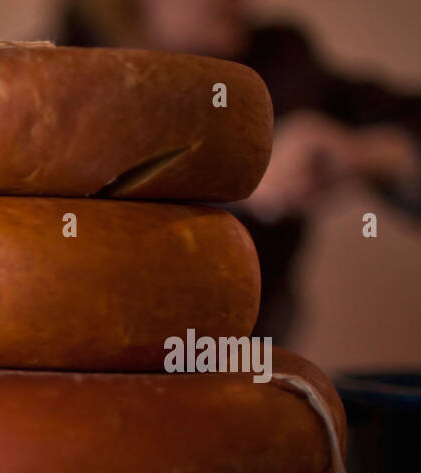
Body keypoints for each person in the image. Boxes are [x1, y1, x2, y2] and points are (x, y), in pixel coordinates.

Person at [59, 0, 421, 340]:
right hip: (89, 351)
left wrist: (363, 153)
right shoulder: (60, 78)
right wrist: (238, 185)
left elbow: (406, 122)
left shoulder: (282, 61)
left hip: (246, 356)